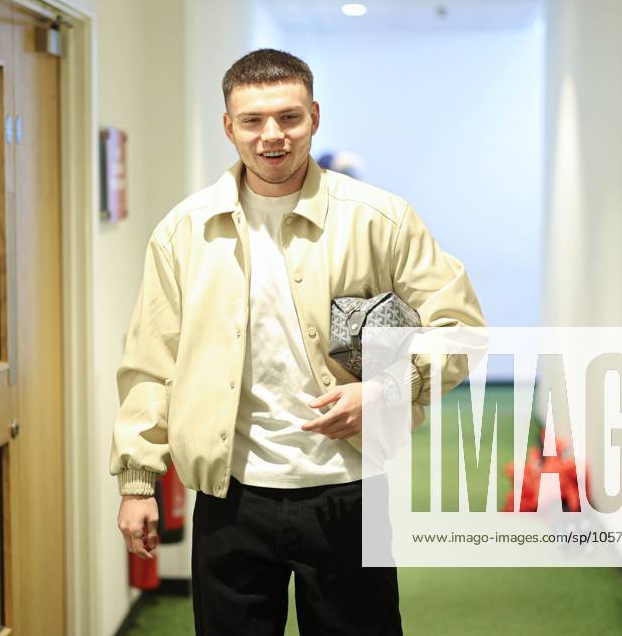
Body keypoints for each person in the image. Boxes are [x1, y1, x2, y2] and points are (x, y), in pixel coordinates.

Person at [111, 48, 485, 635]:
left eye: (288, 117)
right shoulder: (184, 232)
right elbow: (150, 365)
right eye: (253, 120)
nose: (272, 137)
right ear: (228, 126)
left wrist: (386, 389)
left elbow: (461, 331)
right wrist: (138, 482)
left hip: (347, 491)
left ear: (314, 115)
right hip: (229, 495)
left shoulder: (378, 219)